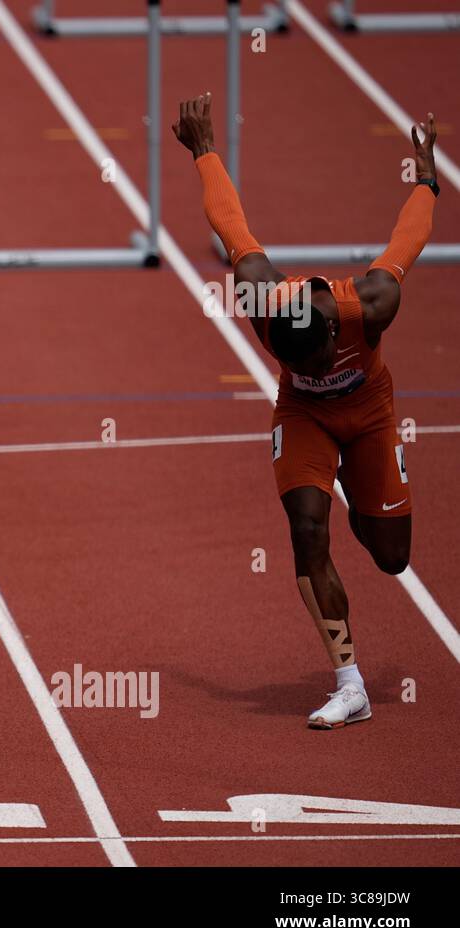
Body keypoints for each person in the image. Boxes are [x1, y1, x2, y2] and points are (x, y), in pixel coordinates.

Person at [174, 92, 437, 729]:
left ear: (329, 332)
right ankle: (350, 684)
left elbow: (410, 238)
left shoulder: (370, 304)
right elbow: (230, 225)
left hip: (371, 412)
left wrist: (426, 177)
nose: (317, 370)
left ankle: (362, 492)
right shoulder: (263, 299)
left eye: (318, 361)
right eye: (303, 364)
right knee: (307, 530)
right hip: (303, 418)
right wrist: (204, 151)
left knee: (391, 555)